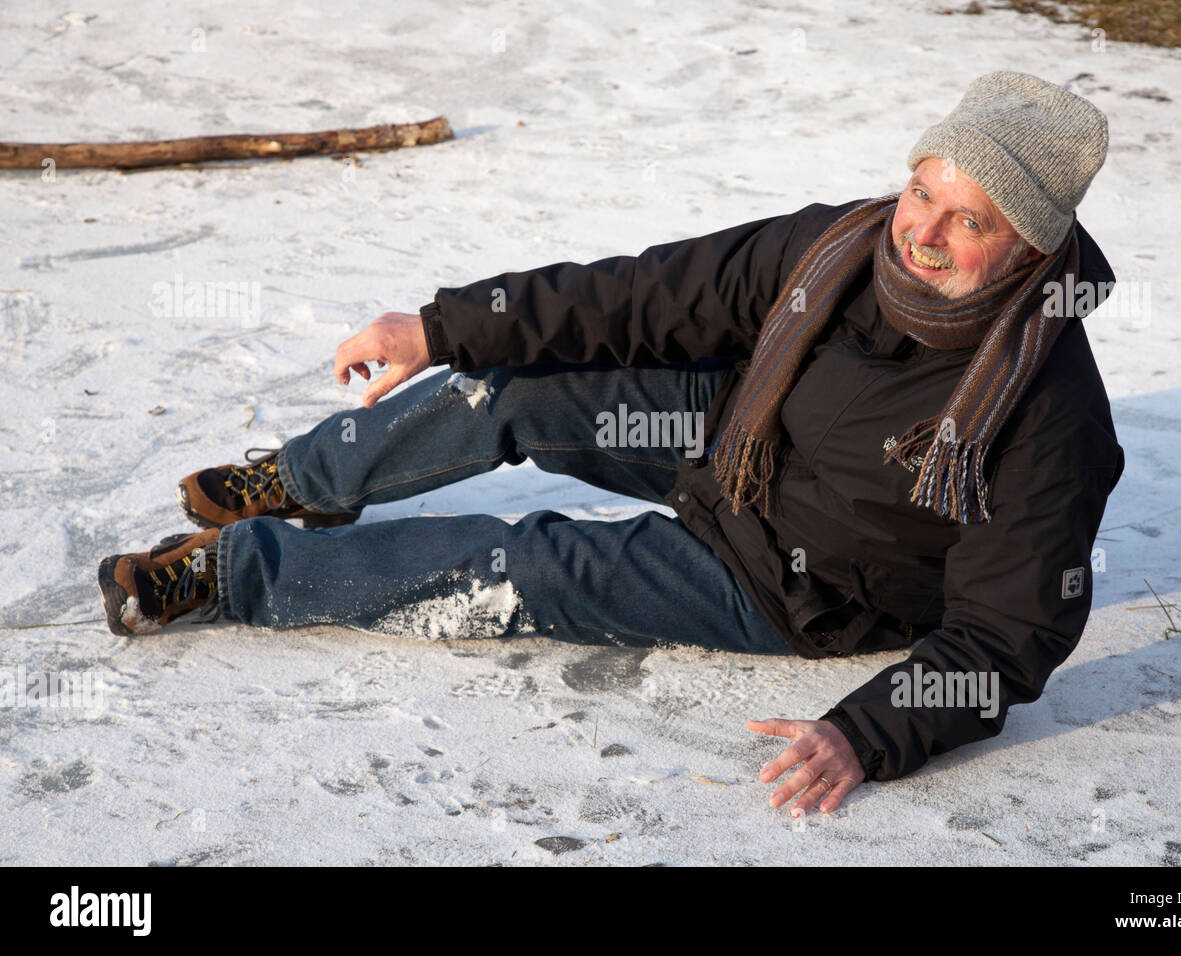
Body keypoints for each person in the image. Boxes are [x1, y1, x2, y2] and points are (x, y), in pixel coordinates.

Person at [98, 71, 1125, 816]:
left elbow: (1003, 635)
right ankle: (309, 479)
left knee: (525, 565)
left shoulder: (1049, 412)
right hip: (736, 446)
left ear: (1030, 246)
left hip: (791, 585)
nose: (923, 231)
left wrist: (865, 731)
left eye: (969, 219)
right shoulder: (838, 246)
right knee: (508, 389)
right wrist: (443, 326)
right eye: (921, 191)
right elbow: (651, 295)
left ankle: (237, 574)